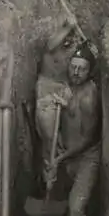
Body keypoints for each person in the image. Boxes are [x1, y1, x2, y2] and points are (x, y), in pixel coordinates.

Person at [44, 41, 101, 216]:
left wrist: (59, 159)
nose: (75, 72)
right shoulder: (71, 86)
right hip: (68, 154)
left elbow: (87, 139)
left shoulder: (89, 98)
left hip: (86, 158)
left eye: (81, 69)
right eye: (73, 67)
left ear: (89, 71)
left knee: (75, 209)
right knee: (58, 190)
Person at [34, 14, 81, 169]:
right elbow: (51, 44)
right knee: (49, 139)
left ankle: (65, 170)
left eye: (73, 37)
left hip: (64, 90)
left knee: (67, 137)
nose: (71, 40)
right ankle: (48, 176)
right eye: (68, 37)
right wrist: (67, 27)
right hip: (46, 93)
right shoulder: (52, 48)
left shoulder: (73, 51)